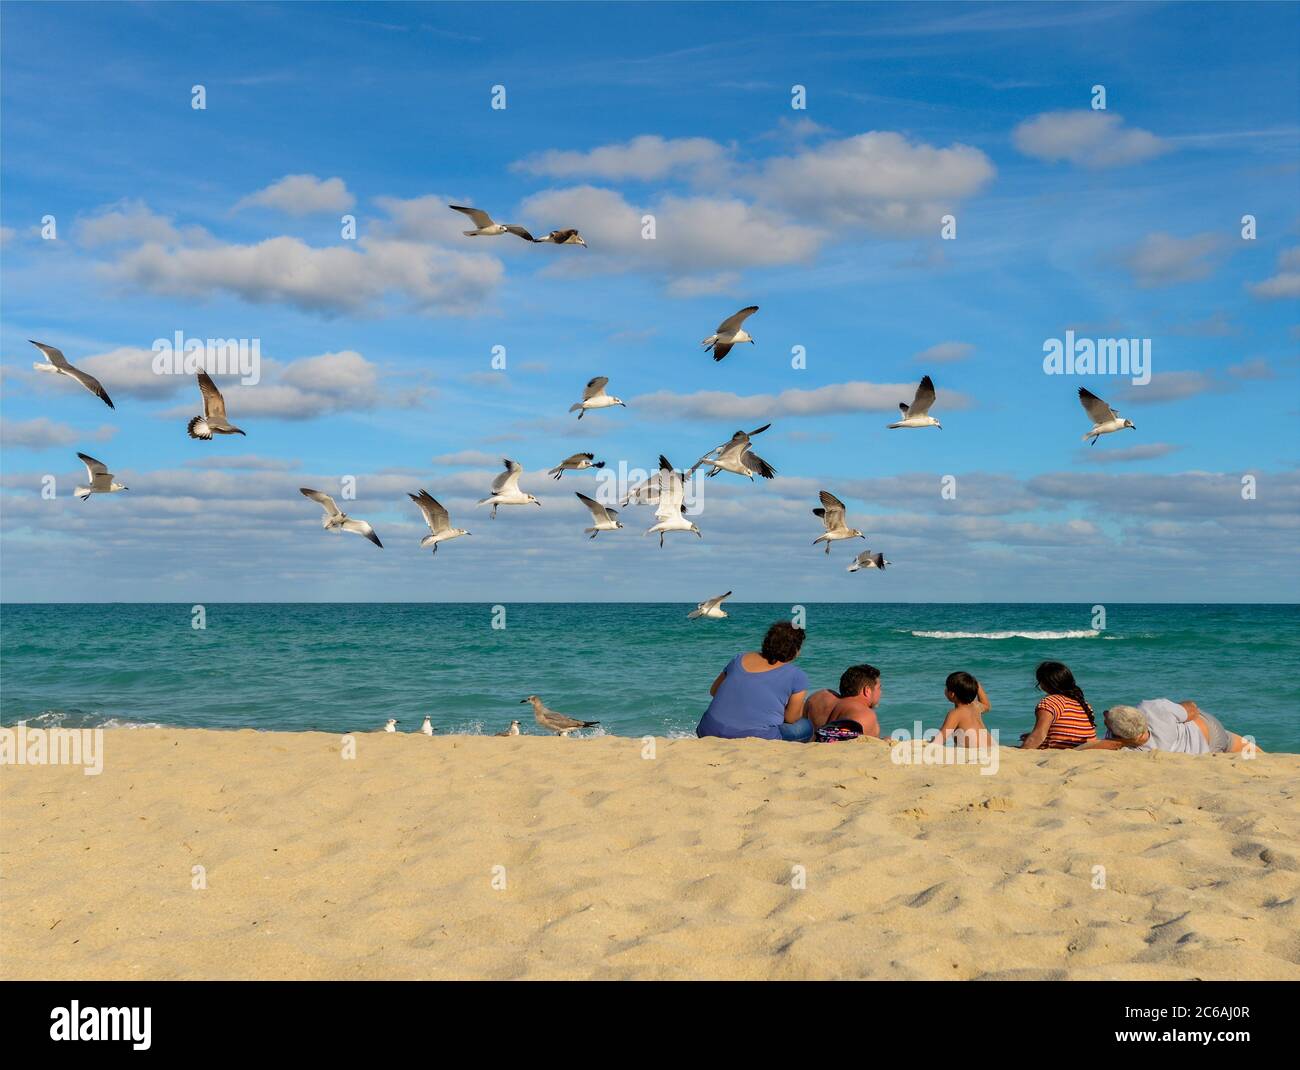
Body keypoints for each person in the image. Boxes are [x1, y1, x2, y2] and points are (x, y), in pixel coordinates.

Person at [696, 621, 812, 741]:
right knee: (806, 726)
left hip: (707, 730)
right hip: (754, 736)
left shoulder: (739, 659)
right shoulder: (797, 675)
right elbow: (791, 718)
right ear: (795, 649)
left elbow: (714, 691)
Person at [1077, 700, 1260, 755]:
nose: (1105, 717)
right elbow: (1192, 708)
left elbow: (1087, 748)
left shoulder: (1130, 749)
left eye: (1108, 719)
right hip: (1207, 727)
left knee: (1234, 747)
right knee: (1249, 751)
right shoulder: (1153, 708)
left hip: (1208, 749)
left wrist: (1118, 740)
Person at [1019, 661, 1097, 749]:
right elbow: (1071, 730)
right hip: (1082, 750)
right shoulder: (1084, 704)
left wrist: (1024, 749)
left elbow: (1039, 735)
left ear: (1043, 683)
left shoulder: (1049, 702)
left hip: (1058, 750)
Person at [815, 665, 883, 741]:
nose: (881, 692)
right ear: (867, 690)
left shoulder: (818, 697)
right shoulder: (866, 715)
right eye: (879, 688)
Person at [934, 671, 993, 749]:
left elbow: (940, 739)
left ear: (952, 694)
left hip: (976, 753)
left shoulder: (955, 713)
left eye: (946, 687)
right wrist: (978, 686)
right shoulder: (975, 706)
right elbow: (987, 706)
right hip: (992, 748)